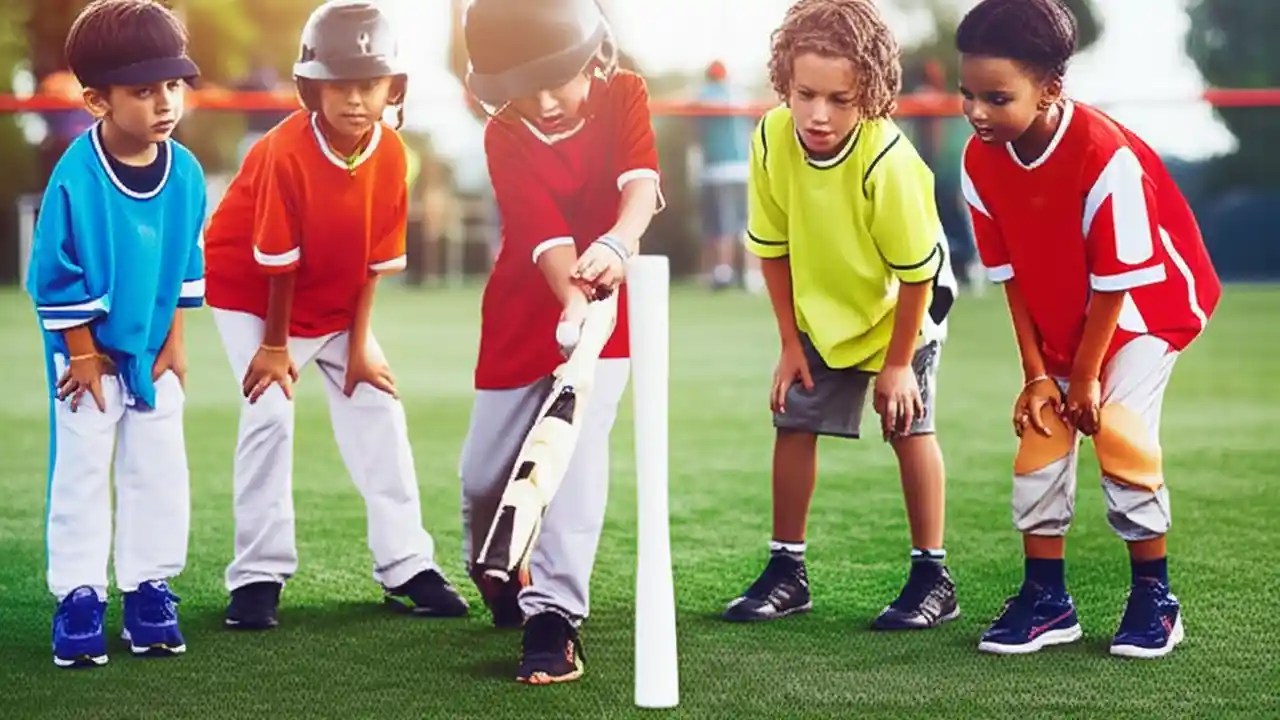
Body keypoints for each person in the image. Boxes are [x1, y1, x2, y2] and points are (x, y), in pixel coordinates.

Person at [956, 0, 1222, 658]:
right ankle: (1048, 599)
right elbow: (1010, 277)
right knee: (1041, 435)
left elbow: (1118, 281)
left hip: (1144, 311)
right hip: (1063, 314)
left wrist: (1088, 379)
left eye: (996, 96)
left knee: (1121, 435)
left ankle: (1154, 597)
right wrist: (1038, 376)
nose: (977, 112)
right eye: (968, 94)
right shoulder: (979, 161)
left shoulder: (1105, 157)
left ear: (1050, 88)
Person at [203, 0, 468, 631]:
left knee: (378, 405)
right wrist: (273, 350)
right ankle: (257, 575)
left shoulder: (391, 154)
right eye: (340, 85)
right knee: (270, 410)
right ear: (311, 89)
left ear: (392, 89)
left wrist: (361, 342)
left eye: (369, 85)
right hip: (253, 296)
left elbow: (376, 259)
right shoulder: (282, 152)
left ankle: (406, 564)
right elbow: (276, 264)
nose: (355, 99)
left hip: (333, 297)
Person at [722, 0, 960, 631]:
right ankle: (786, 571)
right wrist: (788, 343)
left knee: (908, 428)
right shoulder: (773, 137)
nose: (819, 114)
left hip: (904, 309)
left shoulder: (890, 162)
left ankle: (933, 577)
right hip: (823, 308)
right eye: (805, 94)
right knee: (793, 420)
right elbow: (771, 248)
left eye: (841, 99)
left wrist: (899, 364)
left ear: (871, 95)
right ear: (785, 83)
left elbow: (917, 275)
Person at [459, 0, 662, 685]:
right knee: (486, 478)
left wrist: (616, 245)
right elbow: (543, 235)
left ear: (591, 55)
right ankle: (498, 568)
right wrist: (573, 300)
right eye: (524, 86)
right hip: (524, 314)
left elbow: (639, 189)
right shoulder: (504, 133)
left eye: (556, 78)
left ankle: (554, 618)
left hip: (609, 312)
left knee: (573, 464)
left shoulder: (625, 94)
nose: (544, 101)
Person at [25, 0, 205, 668]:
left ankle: (148, 587)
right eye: (143, 90)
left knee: (159, 468)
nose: (164, 103)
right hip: (85, 357)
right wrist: (83, 356)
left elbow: (186, 261)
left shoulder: (183, 172)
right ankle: (78, 593)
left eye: (172, 86)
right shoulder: (76, 175)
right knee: (81, 469)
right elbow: (55, 275)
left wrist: (175, 343)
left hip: (153, 348)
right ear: (97, 99)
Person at [694, 60, 759, 292]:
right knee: (746, 223)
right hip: (744, 168)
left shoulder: (704, 95)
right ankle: (752, 275)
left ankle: (723, 272)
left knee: (721, 223)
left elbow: (697, 132)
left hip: (718, 169)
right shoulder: (739, 94)